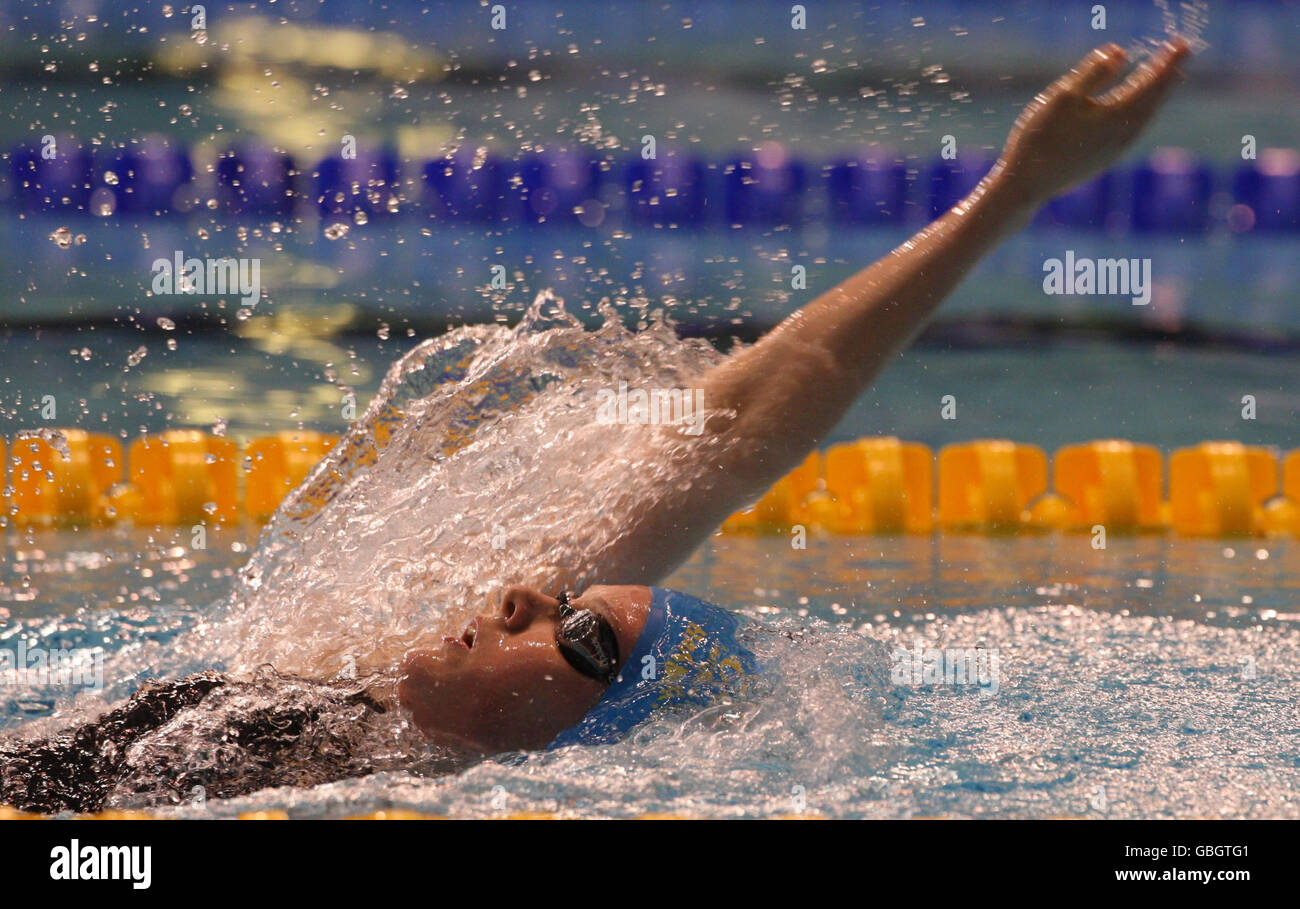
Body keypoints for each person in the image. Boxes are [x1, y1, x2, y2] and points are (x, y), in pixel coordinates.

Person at [0, 40, 1189, 813]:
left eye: (579, 636)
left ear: (586, 740)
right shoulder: (345, 673)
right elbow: (762, 408)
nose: (529, 589)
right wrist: (1012, 196)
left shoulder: (414, 794)